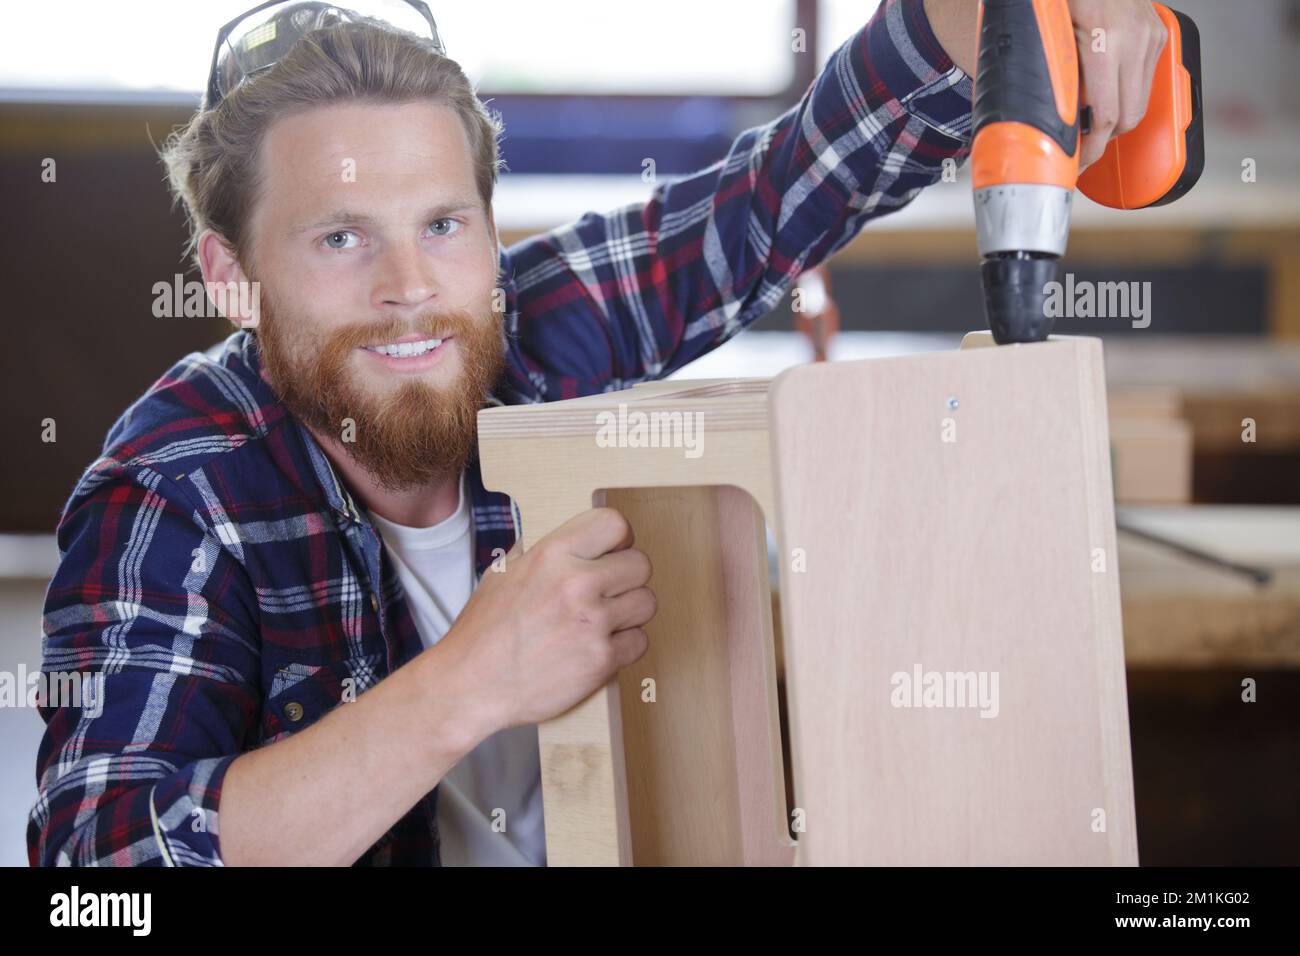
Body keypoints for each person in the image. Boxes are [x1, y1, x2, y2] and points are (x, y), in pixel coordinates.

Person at [28, 0, 1167, 866]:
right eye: (339, 238)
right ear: (231, 277)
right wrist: (467, 681)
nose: (412, 288)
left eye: (442, 223)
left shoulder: (527, 334)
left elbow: (775, 193)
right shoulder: (172, 488)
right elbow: (96, 866)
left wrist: (981, 19)